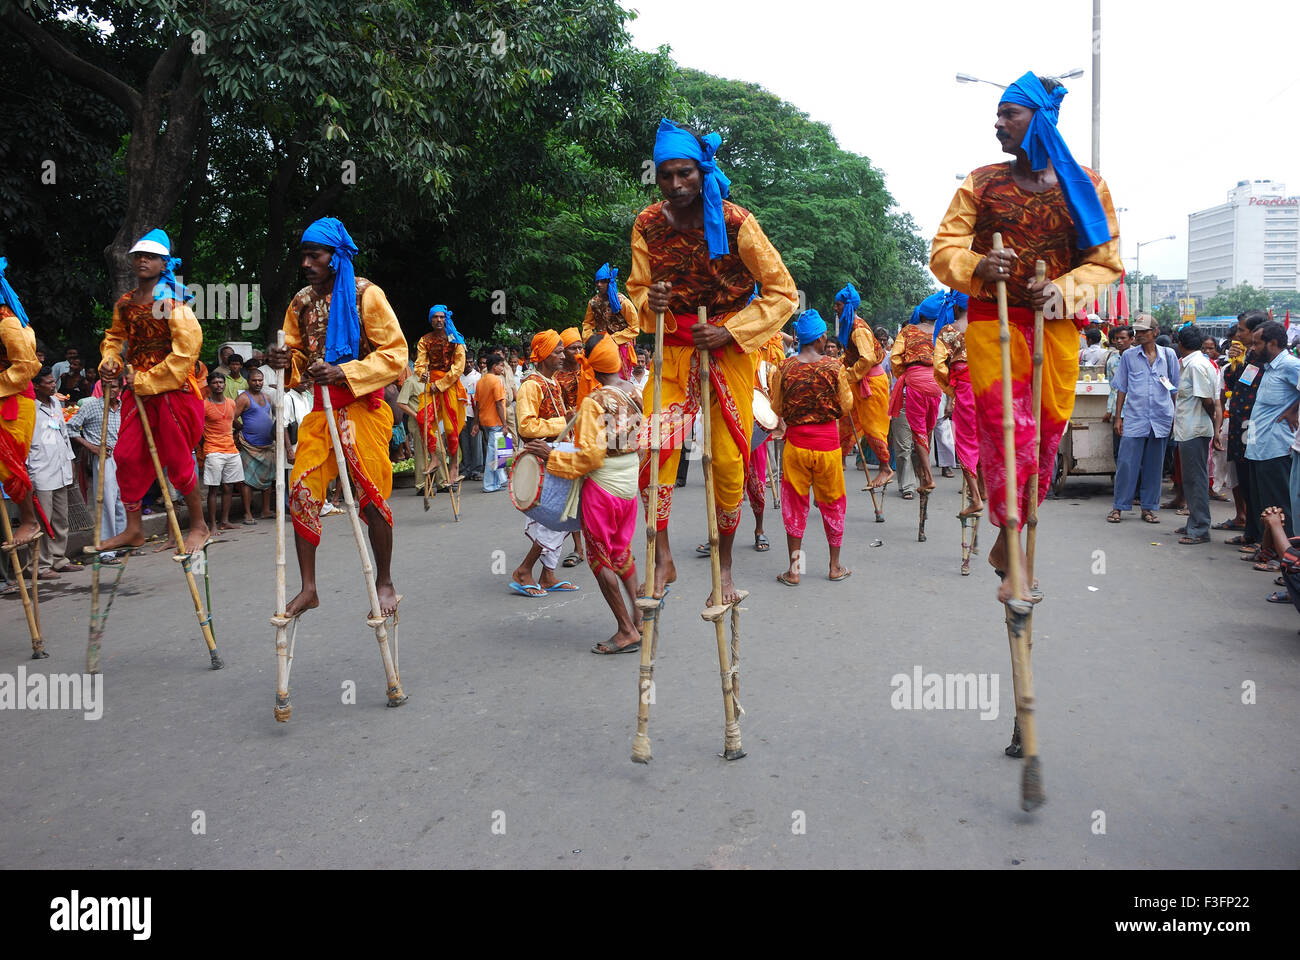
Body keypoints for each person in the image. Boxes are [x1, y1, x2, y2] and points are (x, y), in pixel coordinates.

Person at [931, 71, 1122, 599]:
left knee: (1042, 434)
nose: (997, 125)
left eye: (1008, 114)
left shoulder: (1087, 185)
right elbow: (944, 249)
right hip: (994, 324)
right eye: (997, 115)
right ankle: (1012, 546)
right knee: (1004, 429)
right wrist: (979, 265)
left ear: (1038, 119)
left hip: (1055, 329)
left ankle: (1005, 538)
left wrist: (1063, 289)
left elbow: (1105, 262)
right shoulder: (981, 181)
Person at [626, 117, 798, 603]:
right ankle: (661, 557)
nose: (676, 185)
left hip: (727, 350)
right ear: (656, 177)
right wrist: (649, 302)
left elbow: (782, 292)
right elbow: (636, 291)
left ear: (702, 171)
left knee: (726, 461)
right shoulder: (646, 225)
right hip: (672, 351)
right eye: (666, 176)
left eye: (685, 173)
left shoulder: (738, 222)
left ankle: (724, 569)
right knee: (655, 452)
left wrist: (729, 329)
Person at [266, 217, 407, 618]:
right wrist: (283, 360)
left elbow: (395, 354)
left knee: (373, 496)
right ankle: (308, 588)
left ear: (335, 256)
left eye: (315, 255)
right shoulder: (299, 302)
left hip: (365, 407)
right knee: (301, 490)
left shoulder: (367, 295)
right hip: (319, 409)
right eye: (304, 256)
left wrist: (345, 371)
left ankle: (385, 581)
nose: (307, 263)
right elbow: (295, 356)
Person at [524, 334, 643, 651]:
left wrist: (552, 457)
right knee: (620, 550)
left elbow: (591, 458)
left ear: (589, 363)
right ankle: (640, 617)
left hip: (603, 488)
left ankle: (626, 630)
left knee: (599, 557)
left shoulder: (594, 402)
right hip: (629, 485)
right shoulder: (634, 392)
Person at [96, 228, 210, 555]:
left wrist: (146, 381)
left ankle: (199, 525)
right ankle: (134, 529)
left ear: (164, 263)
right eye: (138, 256)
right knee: (125, 455)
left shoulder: (173, 303)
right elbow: (114, 338)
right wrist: (109, 360)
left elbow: (186, 353)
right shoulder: (126, 303)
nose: (143, 260)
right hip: (137, 392)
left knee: (177, 461)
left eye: (150, 256)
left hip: (173, 392)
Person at [769, 310, 855, 585]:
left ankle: (795, 570)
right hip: (828, 446)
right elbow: (846, 405)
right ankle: (834, 566)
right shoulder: (834, 367)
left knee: (796, 507)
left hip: (796, 446)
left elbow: (777, 408)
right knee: (833, 505)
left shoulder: (784, 367)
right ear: (819, 338)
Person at [510, 330, 579, 596]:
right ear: (542, 355)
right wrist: (564, 421)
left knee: (564, 514)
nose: (563, 356)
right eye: (558, 352)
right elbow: (526, 426)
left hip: (556, 454)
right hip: (541, 458)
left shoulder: (551, 383)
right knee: (556, 515)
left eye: (563, 351)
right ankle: (525, 570)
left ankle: (548, 574)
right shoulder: (531, 384)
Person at [1108, 315, 1178, 522]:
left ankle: (1148, 508)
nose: (1138, 335)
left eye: (1142, 331)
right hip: (1135, 417)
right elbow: (1121, 388)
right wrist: (1118, 418)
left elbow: (1174, 387)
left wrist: (1176, 416)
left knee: (1154, 465)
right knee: (1126, 463)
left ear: (1154, 333)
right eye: (1136, 332)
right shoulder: (1129, 356)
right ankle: (1118, 507)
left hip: (1161, 417)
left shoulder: (1169, 355)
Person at [0, 258, 43, 549]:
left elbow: (27, 366)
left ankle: (29, 520)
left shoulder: (8, 323)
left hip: (14, 399)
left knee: (9, 464)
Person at [1244, 320, 1300, 542]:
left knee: (1279, 507)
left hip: (1276, 448)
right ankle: (1266, 550)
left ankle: (1284, 558)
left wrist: (1293, 410)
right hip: (1259, 446)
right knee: (1263, 505)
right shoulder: (1268, 367)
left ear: (1273, 343)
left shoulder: (1290, 365)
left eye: (1257, 344)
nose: (1253, 348)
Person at [836, 282, 893, 489]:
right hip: (858, 381)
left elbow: (867, 358)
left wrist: (848, 374)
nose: (835, 308)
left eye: (838, 305)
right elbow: (852, 355)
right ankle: (840, 460)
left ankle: (885, 468)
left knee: (872, 427)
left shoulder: (859, 329)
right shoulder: (849, 325)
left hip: (871, 383)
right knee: (845, 417)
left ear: (848, 306)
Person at [890, 293, 946, 495]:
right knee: (926, 432)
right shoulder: (941, 333)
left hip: (914, 385)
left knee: (914, 435)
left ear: (920, 314)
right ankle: (922, 473)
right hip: (936, 387)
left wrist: (907, 375)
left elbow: (895, 359)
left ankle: (926, 477)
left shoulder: (908, 331)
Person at [933, 291, 983, 515]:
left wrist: (950, 390)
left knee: (964, 442)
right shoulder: (984, 327)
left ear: (955, 308)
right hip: (989, 390)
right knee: (984, 439)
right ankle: (984, 488)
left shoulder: (949, 331)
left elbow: (939, 366)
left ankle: (976, 497)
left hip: (966, 390)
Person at [28, 368, 81, 578]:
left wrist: (71, 461)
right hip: (39, 472)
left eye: (53, 382)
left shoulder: (57, 404)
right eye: (48, 383)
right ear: (36, 385)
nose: (53, 386)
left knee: (61, 519)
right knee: (42, 521)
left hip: (60, 468)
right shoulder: (30, 408)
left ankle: (59, 559)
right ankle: (40, 566)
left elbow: (63, 434)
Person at [1223, 311, 1270, 546]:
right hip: (1239, 427)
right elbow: (1235, 385)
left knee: (1256, 485)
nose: (1238, 334)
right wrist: (1234, 364)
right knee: (1244, 479)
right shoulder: (1248, 355)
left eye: (1242, 330)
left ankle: (1263, 538)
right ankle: (1251, 532)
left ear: (1256, 332)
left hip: (1255, 429)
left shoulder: (1269, 360)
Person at [1171, 324, 1220, 545]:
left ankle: (1200, 527)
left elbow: (1207, 400)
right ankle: (1195, 522)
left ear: (1180, 343)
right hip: (1188, 428)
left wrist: (1211, 419)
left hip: (1195, 429)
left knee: (1196, 479)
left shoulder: (1196, 365)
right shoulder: (1192, 364)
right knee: (1190, 480)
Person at [67, 374, 125, 558]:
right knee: (105, 503)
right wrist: (91, 446)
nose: (111, 390)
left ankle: (122, 543)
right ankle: (106, 550)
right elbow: (70, 428)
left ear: (120, 389)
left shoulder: (124, 406)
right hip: (105, 458)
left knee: (123, 503)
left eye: (114, 387)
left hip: (123, 458)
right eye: (107, 386)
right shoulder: (92, 405)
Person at [413, 305, 468, 490]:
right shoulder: (424, 340)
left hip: (449, 385)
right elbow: (420, 364)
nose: (438, 320)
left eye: (441, 317)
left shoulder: (455, 339)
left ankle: (453, 464)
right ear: (431, 319)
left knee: (452, 429)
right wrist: (423, 374)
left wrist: (441, 384)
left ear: (446, 319)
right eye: (435, 317)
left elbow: (459, 367)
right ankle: (435, 458)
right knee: (422, 420)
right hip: (431, 385)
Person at [234, 367, 277, 520]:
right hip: (249, 445)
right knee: (247, 481)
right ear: (248, 381)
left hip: (267, 445)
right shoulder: (244, 398)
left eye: (260, 380)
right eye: (254, 380)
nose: (258, 383)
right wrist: (240, 428)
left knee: (268, 479)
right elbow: (232, 417)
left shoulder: (267, 397)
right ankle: (248, 513)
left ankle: (265, 510)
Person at [202, 371, 243, 530]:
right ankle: (212, 524)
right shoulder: (204, 405)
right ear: (209, 385)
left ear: (224, 385)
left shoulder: (231, 403)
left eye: (221, 382)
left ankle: (224, 521)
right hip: (213, 450)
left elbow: (232, 423)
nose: (218, 385)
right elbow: (199, 429)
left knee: (229, 487)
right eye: (215, 383)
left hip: (231, 449)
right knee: (213, 489)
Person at [583, 263, 639, 378]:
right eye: (597, 282)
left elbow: (634, 327)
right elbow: (587, 324)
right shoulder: (593, 302)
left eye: (603, 281)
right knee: (599, 379)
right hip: (601, 346)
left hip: (621, 346)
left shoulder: (623, 302)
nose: (599, 284)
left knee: (620, 380)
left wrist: (612, 339)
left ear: (610, 282)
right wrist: (590, 339)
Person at [474, 354, 511, 492]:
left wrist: (476, 423)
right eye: (501, 365)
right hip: (496, 422)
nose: (503, 368)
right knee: (495, 453)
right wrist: (505, 424)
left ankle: (500, 480)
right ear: (494, 366)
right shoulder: (496, 381)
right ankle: (489, 485)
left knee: (500, 451)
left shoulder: (481, 381)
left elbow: (477, 404)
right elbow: (499, 404)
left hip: (485, 421)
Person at [459, 347, 483, 482]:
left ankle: (477, 469)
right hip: (462, 414)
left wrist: (478, 420)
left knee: (476, 442)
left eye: (470, 362)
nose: (468, 365)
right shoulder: (457, 378)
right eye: (465, 362)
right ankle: (467, 469)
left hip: (475, 414)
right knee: (465, 443)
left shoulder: (478, 377)